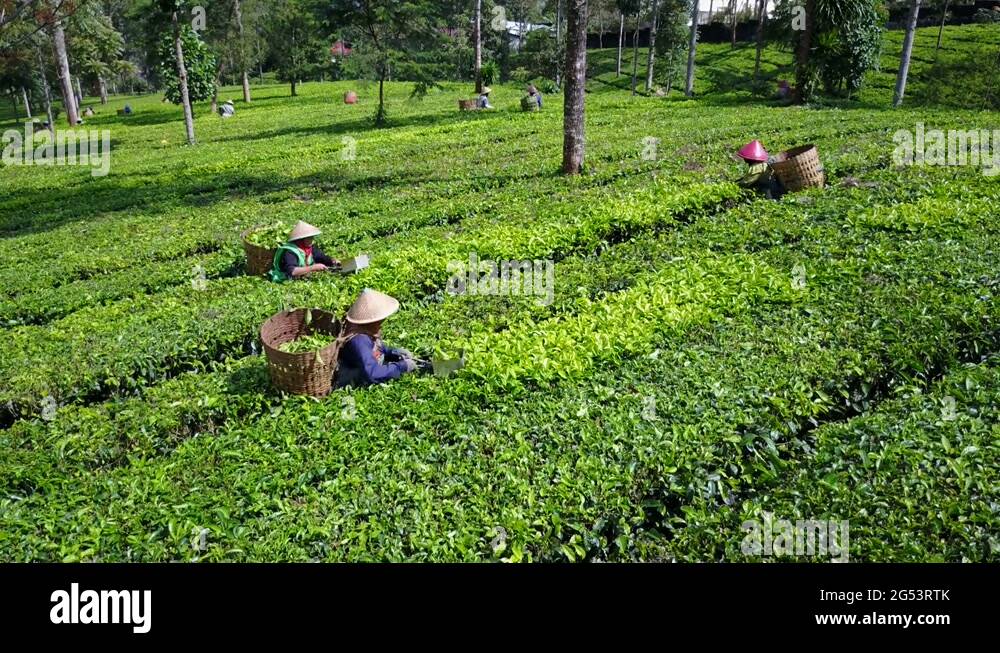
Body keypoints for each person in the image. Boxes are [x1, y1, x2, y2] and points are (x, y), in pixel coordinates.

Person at [334, 289, 417, 389]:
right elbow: (372, 374)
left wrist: (393, 352)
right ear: (371, 321)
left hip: (370, 365)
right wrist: (401, 367)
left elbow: (377, 348)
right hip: (356, 376)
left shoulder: (368, 331)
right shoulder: (359, 340)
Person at [269, 221, 340, 282]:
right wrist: (313, 268)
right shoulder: (290, 252)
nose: (312, 240)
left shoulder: (309, 248)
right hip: (286, 278)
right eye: (309, 238)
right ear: (301, 239)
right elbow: (293, 271)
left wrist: (332, 261)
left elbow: (321, 257)